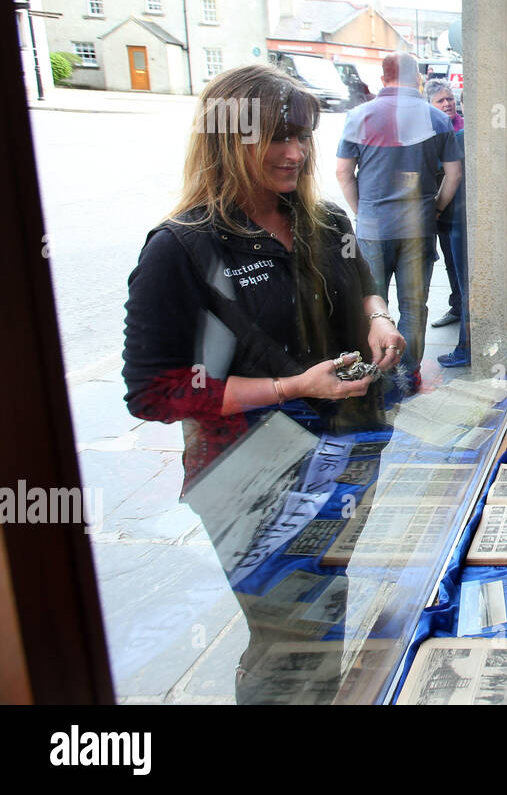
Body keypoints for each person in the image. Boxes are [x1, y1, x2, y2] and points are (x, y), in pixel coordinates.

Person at [122, 62, 406, 700]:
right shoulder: (178, 249)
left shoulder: (325, 221)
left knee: (322, 613)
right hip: (250, 477)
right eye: (278, 137)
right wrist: (290, 387)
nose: (296, 153)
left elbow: (362, 284)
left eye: (303, 136)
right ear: (228, 139)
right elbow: (151, 390)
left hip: (350, 452)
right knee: (290, 642)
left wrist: (379, 320)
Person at [336, 52, 463, 382]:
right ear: (418, 80)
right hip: (418, 227)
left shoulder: (359, 116)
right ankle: (408, 373)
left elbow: (343, 173)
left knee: (373, 305)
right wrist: (434, 208)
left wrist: (361, 211)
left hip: (373, 227)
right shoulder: (437, 119)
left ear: (383, 79)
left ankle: (376, 373)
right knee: (413, 306)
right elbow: (454, 175)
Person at [425, 81, 471, 367]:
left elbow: (450, 175)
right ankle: (457, 312)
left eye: (451, 99)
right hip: (450, 217)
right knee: (455, 274)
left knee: (467, 284)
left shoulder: (461, 134)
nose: (448, 104)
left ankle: (466, 349)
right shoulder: (440, 131)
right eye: (441, 100)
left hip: (456, 217)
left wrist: (438, 209)